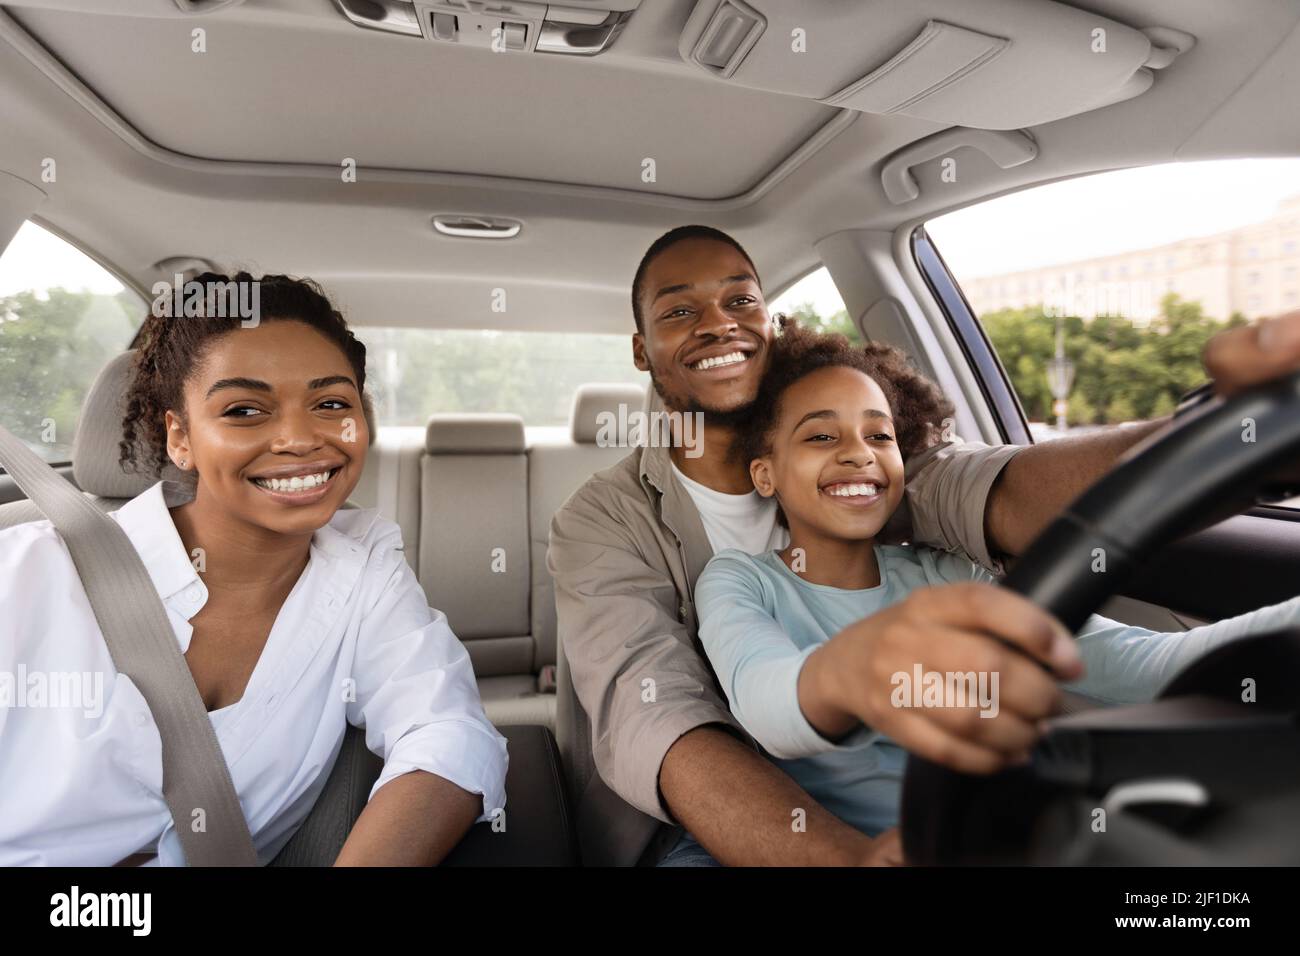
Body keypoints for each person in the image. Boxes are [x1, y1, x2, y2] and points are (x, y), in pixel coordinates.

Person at [547, 224, 1300, 867]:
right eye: (681, 311)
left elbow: (1003, 491)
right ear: (643, 351)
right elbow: (665, 720)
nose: (719, 323)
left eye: (741, 298)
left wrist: (1235, 435)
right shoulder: (620, 528)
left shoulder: (903, 512)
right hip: (728, 826)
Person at [695, 318, 1300, 854]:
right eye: (821, 436)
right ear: (765, 474)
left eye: (879, 436)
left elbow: (1144, 665)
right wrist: (853, 670)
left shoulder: (945, 574)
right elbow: (766, 703)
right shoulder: (740, 582)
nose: (860, 455)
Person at [0, 273, 507, 866]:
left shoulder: (363, 569)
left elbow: (447, 736)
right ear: (180, 437)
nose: (298, 438)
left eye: (331, 404)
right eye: (244, 410)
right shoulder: (29, 570)